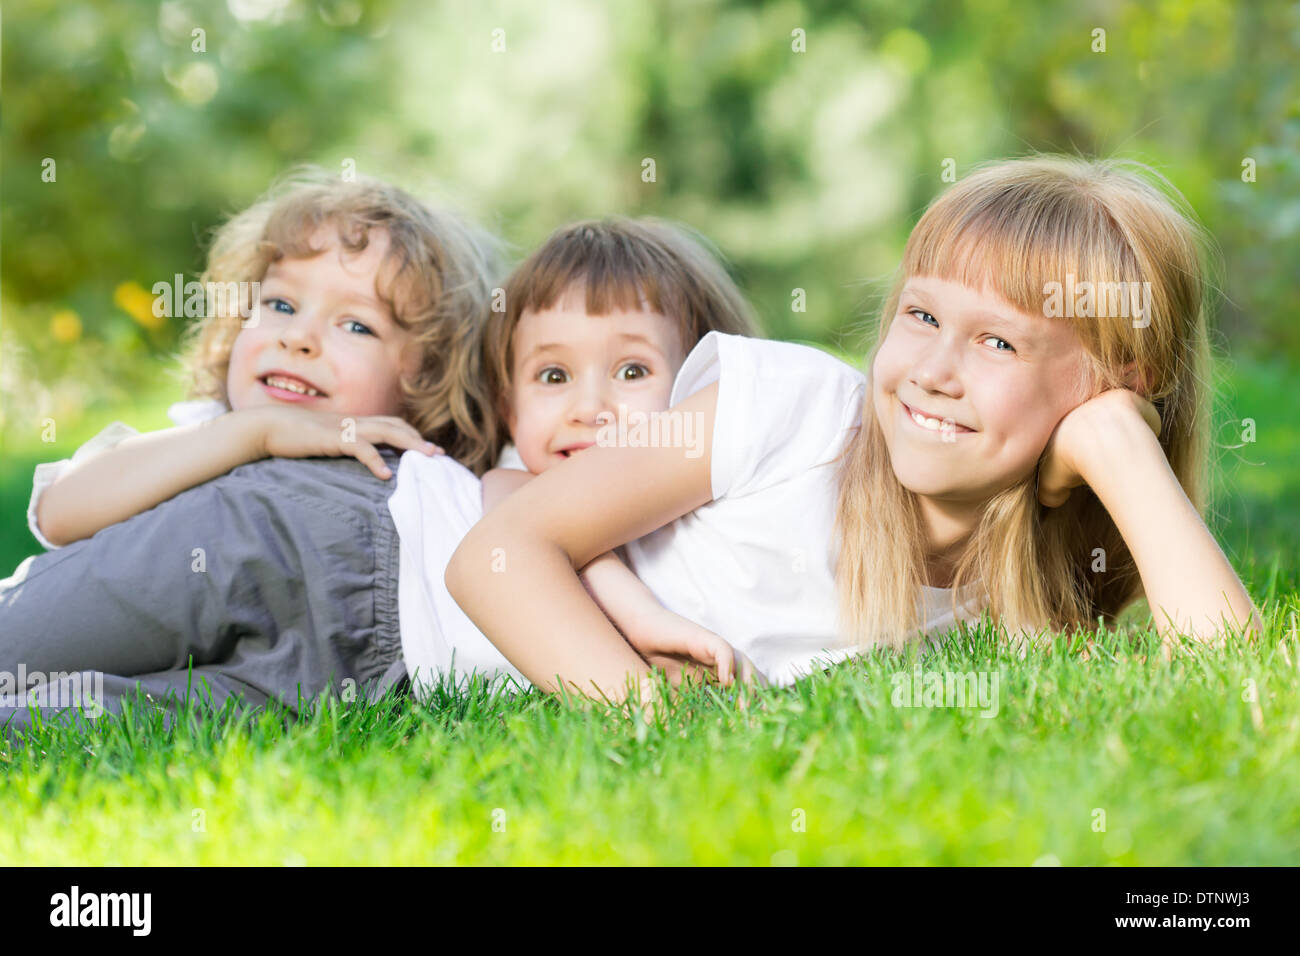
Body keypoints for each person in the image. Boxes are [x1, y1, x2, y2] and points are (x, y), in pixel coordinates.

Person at [445, 155, 1262, 707]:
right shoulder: (790, 412)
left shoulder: (1035, 586)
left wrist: (1118, 445)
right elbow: (494, 555)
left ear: (1119, 379)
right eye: (921, 314)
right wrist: (650, 722)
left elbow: (1232, 683)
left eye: (998, 341)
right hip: (374, 550)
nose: (933, 370)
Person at [1, 167, 500, 732]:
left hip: (333, 584)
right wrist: (251, 431)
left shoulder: (382, 479)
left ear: (428, 382)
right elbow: (60, 512)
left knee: (49, 677)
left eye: (357, 326)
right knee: (59, 713)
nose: (299, 337)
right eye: (282, 306)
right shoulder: (207, 432)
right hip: (348, 664)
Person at [387, 217, 767, 696]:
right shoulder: (516, 480)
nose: (589, 409)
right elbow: (518, 509)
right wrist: (638, 612)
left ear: (700, 387)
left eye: (632, 371)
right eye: (553, 376)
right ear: (509, 410)